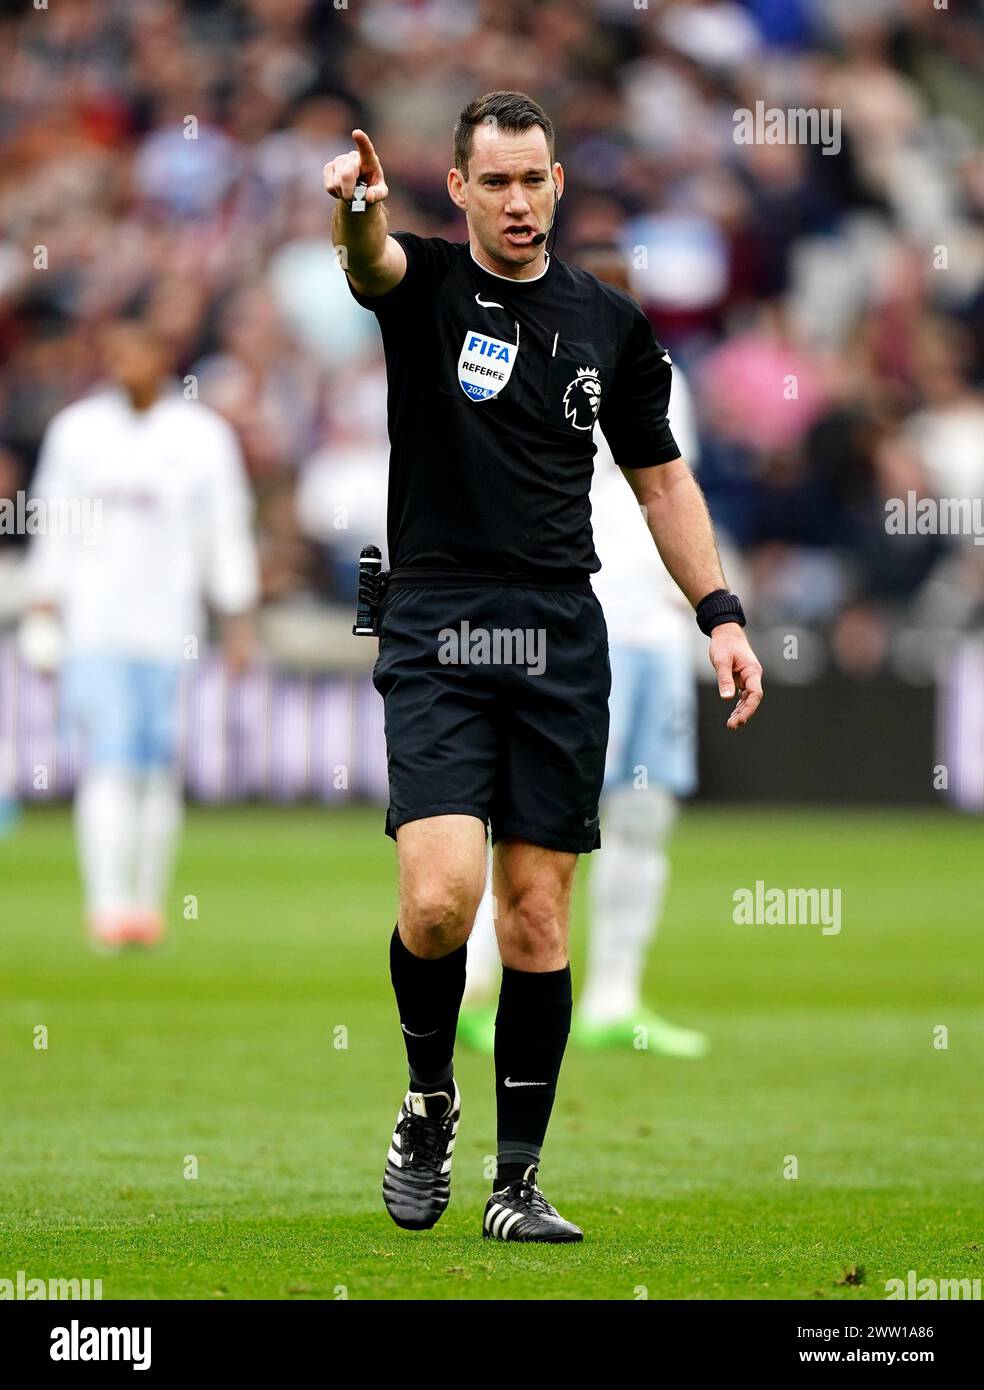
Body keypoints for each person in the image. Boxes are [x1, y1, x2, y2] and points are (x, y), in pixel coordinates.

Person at [324, 91, 763, 1243]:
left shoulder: (608, 324)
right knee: (436, 902)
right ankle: (428, 1102)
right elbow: (367, 264)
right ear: (459, 189)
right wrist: (359, 214)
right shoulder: (421, 288)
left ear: (557, 185)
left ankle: (517, 1182)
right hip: (437, 626)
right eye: (496, 183)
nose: (518, 202)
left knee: (533, 920)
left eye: (536, 181)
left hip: (562, 632)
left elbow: (662, 480)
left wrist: (718, 609)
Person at [459, 241, 710, 1061]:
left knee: (645, 814)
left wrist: (709, 607)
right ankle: (477, 990)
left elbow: (674, 493)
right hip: (570, 624)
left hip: (655, 632)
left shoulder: (662, 377)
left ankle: (615, 998)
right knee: (533, 821)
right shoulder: (522, 363)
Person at [22, 316, 259, 950]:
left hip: (172, 630)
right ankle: (107, 908)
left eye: (142, 349)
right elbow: (53, 525)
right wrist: (44, 607)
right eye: (117, 351)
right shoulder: (79, 432)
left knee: (157, 769)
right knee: (108, 763)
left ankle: (146, 907)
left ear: (164, 353)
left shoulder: (202, 437)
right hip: (96, 626)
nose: (129, 362)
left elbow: (226, 531)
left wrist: (237, 616)